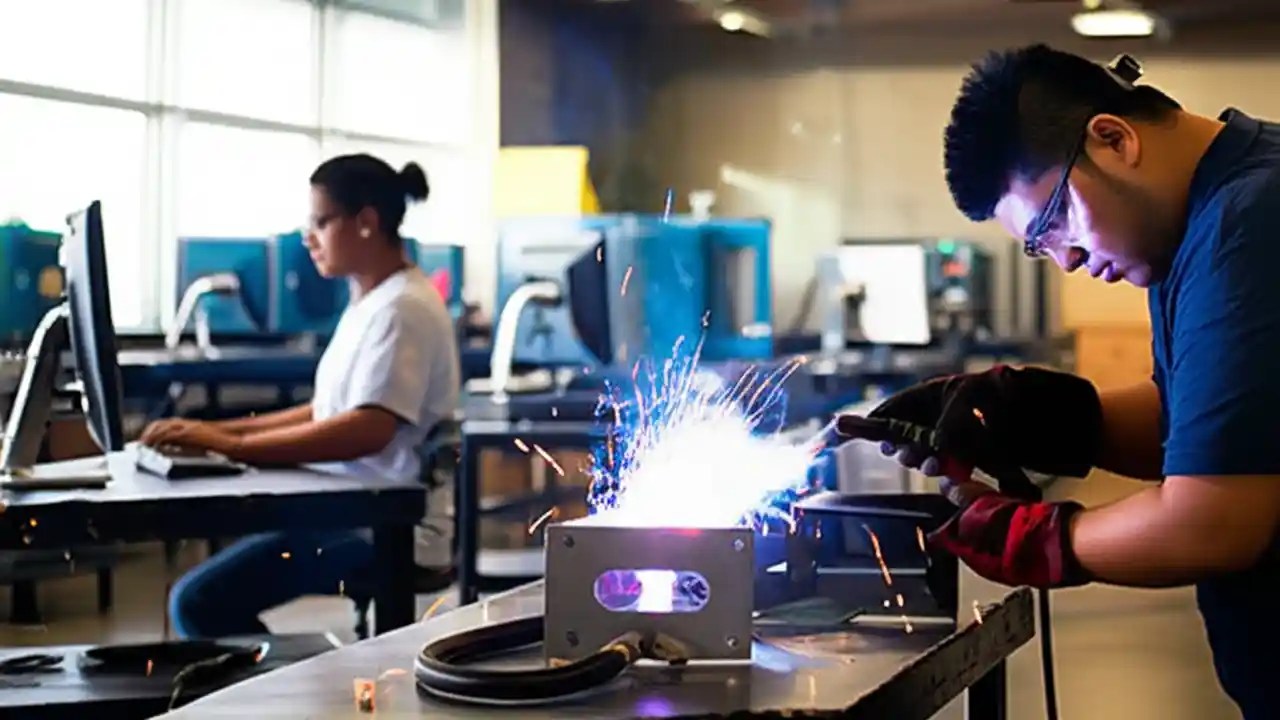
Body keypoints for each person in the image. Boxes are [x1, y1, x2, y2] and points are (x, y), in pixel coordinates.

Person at [822, 45, 1280, 717]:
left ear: (1113, 138)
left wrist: (1040, 537)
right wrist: (1043, 416)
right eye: (1041, 244)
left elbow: (1212, 523)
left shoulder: (1248, 225)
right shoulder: (1205, 217)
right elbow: (1222, 428)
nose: (1064, 258)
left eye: (1054, 220)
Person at [141, 153, 460, 638]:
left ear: (367, 222)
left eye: (321, 222)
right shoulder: (372, 300)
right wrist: (218, 433)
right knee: (209, 593)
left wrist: (231, 447)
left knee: (199, 602)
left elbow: (367, 428)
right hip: (354, 505)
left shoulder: (402, 309)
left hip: (384, 526)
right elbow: (328, 411)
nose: (308, 238)